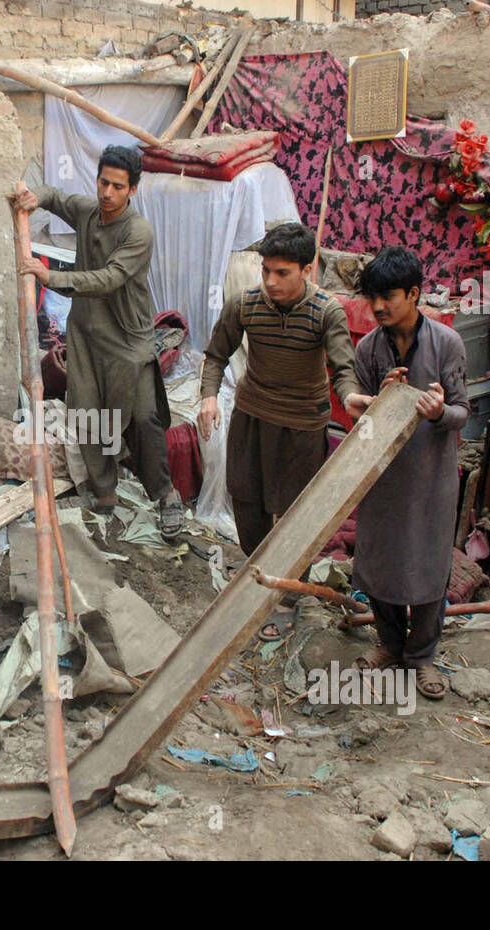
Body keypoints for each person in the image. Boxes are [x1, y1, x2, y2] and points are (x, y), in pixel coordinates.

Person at [11, 144, 184, 542]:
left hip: (127, 338)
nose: (107, 192)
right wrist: (38, 196)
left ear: (133, 190)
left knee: (143, 417)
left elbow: (108, 279)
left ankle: (165, 495)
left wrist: (52, 277)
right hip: (86, 335)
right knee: (88, 414)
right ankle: (105, 493)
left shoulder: (138, 232)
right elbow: (58, 198)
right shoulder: (89, 210)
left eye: (118, 186)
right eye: (103, 182)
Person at [344, 246, 469, 701]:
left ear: (415, 294)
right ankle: (389, 645)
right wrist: (375, 400)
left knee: (428, 564)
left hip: (430, 475)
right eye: (371, 298)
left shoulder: (447, 344)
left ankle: (422, 657)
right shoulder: (368, 348)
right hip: (382, 475)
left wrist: (438, 412)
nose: (378, 308)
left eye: (388, 298)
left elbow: (463, 412)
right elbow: (357, 408)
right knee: (379, 562)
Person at [197, 222, 361, 557]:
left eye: (282, 273)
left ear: (306, 270)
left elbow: (343, 369)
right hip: (252, 417)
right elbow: (215, 355)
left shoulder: (327, 312)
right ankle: (256, 577)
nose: (271, 282)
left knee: (296, 512)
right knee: (246, 501)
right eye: (266, 270)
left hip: (301, 427)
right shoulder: (245, 305)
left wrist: (349, 396)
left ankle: (290, 586)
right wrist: (209, 397)